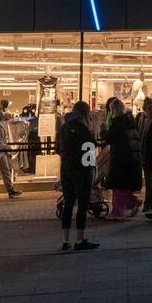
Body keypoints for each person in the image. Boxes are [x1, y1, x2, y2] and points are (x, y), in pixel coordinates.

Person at [57, 100, 99, 250]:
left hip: (66, 169)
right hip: (82, 170)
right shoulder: (83, 128)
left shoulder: (63, 128)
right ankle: (80, 240)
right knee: (82, 204)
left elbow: (58, 148)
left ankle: (65, 240)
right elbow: (91, 146)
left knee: (68, 203)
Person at [104, 97, 143, 217]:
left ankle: (131, 203)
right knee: (121, 186)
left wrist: (102, 131)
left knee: (118, 186)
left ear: (114, 109)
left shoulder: (117, 122)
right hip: (130, 157)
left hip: (120, 157)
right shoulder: (129, 121)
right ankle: (119, 209)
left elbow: (110, 137)